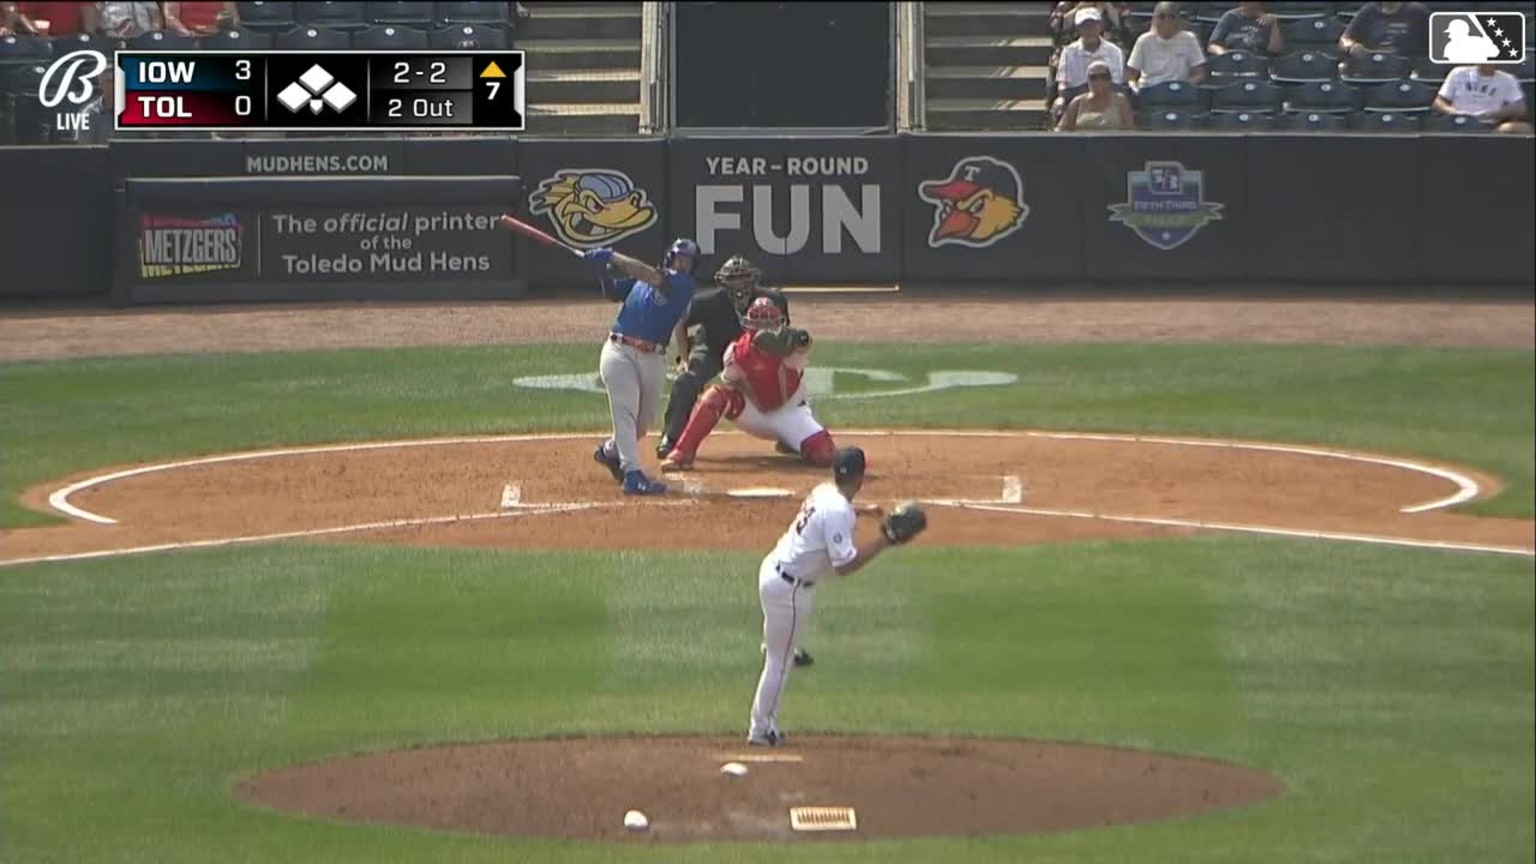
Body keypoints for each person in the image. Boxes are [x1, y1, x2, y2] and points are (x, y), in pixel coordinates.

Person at [747, 447, 925, 747]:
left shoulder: (824, 491)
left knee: (782, 649)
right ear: (861, 477)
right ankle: (760, 729)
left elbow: (833, 514)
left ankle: (778, 642)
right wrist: (885, 540)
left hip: (774, 572)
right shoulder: (838, 510)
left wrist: (863, 511)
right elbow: (845, 566)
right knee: (780, 663)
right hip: (788, 592)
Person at [659, 297, 837, 471]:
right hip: (754, 413)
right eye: (759, 322)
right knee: (714, 396)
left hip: (790, 413)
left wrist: (796, 338)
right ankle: (683, 453)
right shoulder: (736, 352)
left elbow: (803, 344)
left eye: (768, 322)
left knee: (825, 455)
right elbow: (729, 385)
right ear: (748, 324)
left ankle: (792, 442)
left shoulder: (790, 350)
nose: (764, 328)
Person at [586, 239, 700, 496]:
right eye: (679, 259)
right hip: (618, 351)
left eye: (688, 261)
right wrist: (601, 270)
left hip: (653, 357)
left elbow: (648, 273)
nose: (683, 264)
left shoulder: (683, 286)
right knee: (624, 410)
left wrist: (612, 257)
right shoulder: (641, 282)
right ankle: (632, 474)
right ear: (670, 258)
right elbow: (613, 292)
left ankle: (609, 452)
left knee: (642, 425)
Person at [655, 254, 793, 460]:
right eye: (734, 280)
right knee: (686, 380)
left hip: (751, 352)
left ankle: (791, 435)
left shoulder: (772, 300)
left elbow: (782, 333)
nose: (740, 286)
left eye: (744, 280)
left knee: (789, 381)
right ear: (722, 282)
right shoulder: (708, 302)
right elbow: (680, 322)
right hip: (712, 348)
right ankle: (671, 437)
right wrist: (684, 359)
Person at [1052, 6, 1126, 123]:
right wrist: (1062, 98)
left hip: (1108, 98)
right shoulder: (1068, 52)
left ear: (1100, 26)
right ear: (1078, 29)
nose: (1089, 29)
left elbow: (1117, 82)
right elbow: (1063, 83)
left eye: (1093, 24)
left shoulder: (1114, 51)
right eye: (1084, 25)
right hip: (1075, 98)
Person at [1126, 2, 1207, 92]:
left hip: (1179, 90)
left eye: (1171, 16)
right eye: (1162, 17)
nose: (1166, 20)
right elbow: (1131, 74)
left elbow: (1200, 73)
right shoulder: (1144, 40)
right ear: (1154, 19)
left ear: (1178, 19)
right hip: (1149, 90)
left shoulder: (1189, 39)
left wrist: (1185, 86)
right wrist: (1135, 88)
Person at [1434, 63, 1532, 133]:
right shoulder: (1458, 73)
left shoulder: (1508, 79)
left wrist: (1492, 114)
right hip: (1457, 122)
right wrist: (1452, 111)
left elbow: (1520, 108)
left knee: (1523, 128)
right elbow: (1438, 102)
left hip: (1488, 127)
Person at [1058, 60, 1135, 131]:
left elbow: (1130, 129)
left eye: (1103, 77)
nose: (1099, 81)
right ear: (1087, 80)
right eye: (1093, 77)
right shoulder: (1078, 102)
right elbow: (1062, 129)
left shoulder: (1120, 100)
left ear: (1110, 79)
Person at [1338, 1, 1429, 59]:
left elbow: (1434, 42)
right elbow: (1345, 39)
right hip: (1373, 63)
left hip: (1407, 65)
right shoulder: (1369, 10)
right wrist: (1352, 46)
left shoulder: (1417, 11)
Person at [1208, 1, 1285, 57]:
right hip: (1231, 62)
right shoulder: (1230, 17)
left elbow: (1276, 50)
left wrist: (1274, 25)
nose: (1243, 3)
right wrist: (1224, 55)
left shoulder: (1269, 20)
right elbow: (1212, 45)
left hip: (1257, 65)